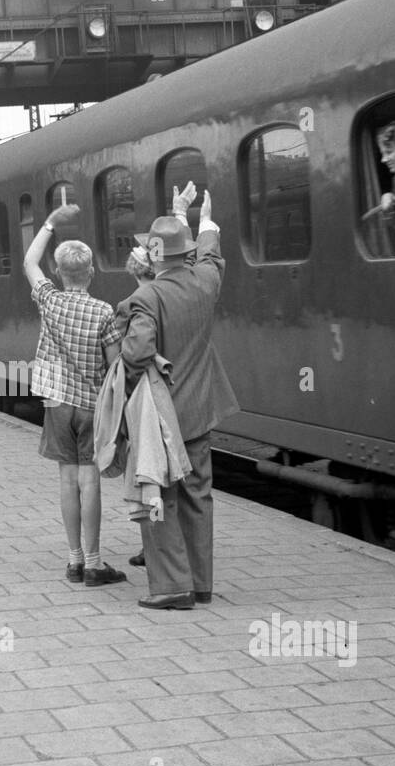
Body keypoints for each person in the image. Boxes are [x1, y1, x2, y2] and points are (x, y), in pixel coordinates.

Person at [121, 182, 238, 610]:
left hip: (161, 418)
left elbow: (136, 353)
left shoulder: (145, 297)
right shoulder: (206, 283)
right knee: (198, 495)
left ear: (154, 256)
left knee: (159, 498)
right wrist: (199, 219)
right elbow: (210, 257)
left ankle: (172, 588)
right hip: (200, 412)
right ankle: (202, 584)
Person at [22, 202, 126, 588]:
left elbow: (29, 262)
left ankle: (74, 560)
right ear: (92, 273)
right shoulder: (104, 312)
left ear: (58, 272)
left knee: (67, 481)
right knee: (90, 481)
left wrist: (50, 222)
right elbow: (115, 366)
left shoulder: (48, 300)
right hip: (92, 406)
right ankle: (96, 563)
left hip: (56, 404)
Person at [119, 244, 155, 570]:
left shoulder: (129, 306)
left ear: (133, 268)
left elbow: (128, 358)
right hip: (176, 401)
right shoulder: (174, 299)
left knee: (145, 479)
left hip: (143, 405)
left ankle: (151, 547)